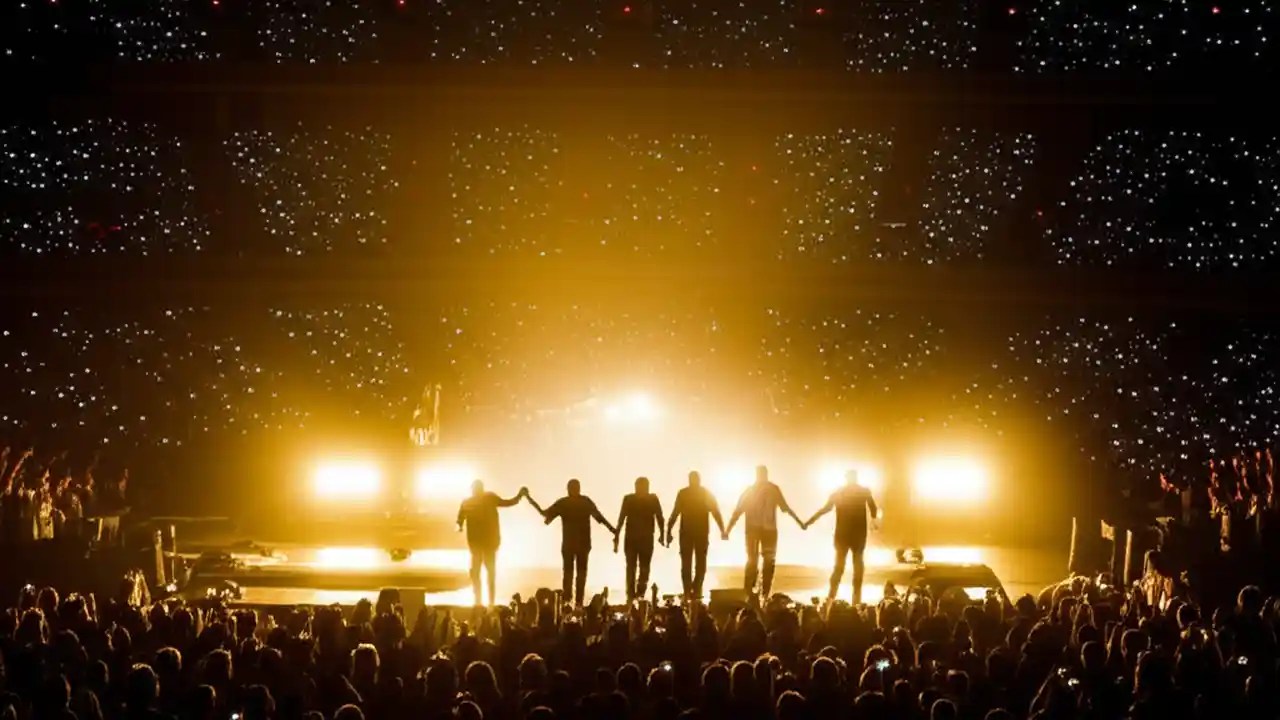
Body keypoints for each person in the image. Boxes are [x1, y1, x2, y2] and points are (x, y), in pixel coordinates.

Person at [529, 479, 616, 608]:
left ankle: (568, 604)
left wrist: (529, 499)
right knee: (578, 575)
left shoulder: (565, 503)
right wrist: (613, 530)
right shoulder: (584, 502)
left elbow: (544, 514)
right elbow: (600, 518)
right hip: (580, 545)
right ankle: (576, 604)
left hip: (572, 545)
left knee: (570, 575)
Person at [725, 465, 804, 600]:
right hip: (766, 530)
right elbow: (786, 508)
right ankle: (760, 593)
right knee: (764, 561)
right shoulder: (771, 489)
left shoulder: (752, 490)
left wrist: (728, 529)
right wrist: (800, 522)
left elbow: (738, 511)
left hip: (757, 530)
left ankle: (753, 592)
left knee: (755, 560)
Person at [802, 469, 879, 604]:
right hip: (858, 535)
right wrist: (873, 520)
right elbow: (873, 508)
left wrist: (809, 522)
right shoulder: (864, 491)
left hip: (842, 536)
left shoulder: (839, 493)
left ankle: (831, 598)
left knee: (839, 567)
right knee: (858, 568)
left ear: (846, 479)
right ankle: (856, 601)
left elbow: (825, 509)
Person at [456, 480, 530, 607]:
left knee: (479, 572)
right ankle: (486, 602)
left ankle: (480, 601)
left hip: (479, 543)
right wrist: (519, 496)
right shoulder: (487, 498)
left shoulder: (469, 502)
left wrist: (460, 526)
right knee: (487, 573)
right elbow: (507, 503)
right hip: (487, 543)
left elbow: (459, 519)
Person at [666, 471, 725, 599]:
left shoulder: (703, 493)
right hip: (688, 533)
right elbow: (675, 512)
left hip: (699, 533)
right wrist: (668, 530)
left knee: (699, 564)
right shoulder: (684, 494)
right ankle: (689, 591)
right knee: (688, 564)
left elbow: (715, 512)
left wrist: (722, 529)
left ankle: (695, 589)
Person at [613, 477, 666, 602]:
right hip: (631, 539)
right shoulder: (628, 499)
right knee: (631, 567)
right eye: (639, 487)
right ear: (635, 487)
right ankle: (631, 595)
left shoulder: (653, 499)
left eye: (643, 487)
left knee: (644, 568)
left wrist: (662, 534)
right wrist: (616, 537)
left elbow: (660, 517)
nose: (641, 490)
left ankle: (640, 593)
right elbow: (621, 518)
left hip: (646, 540)